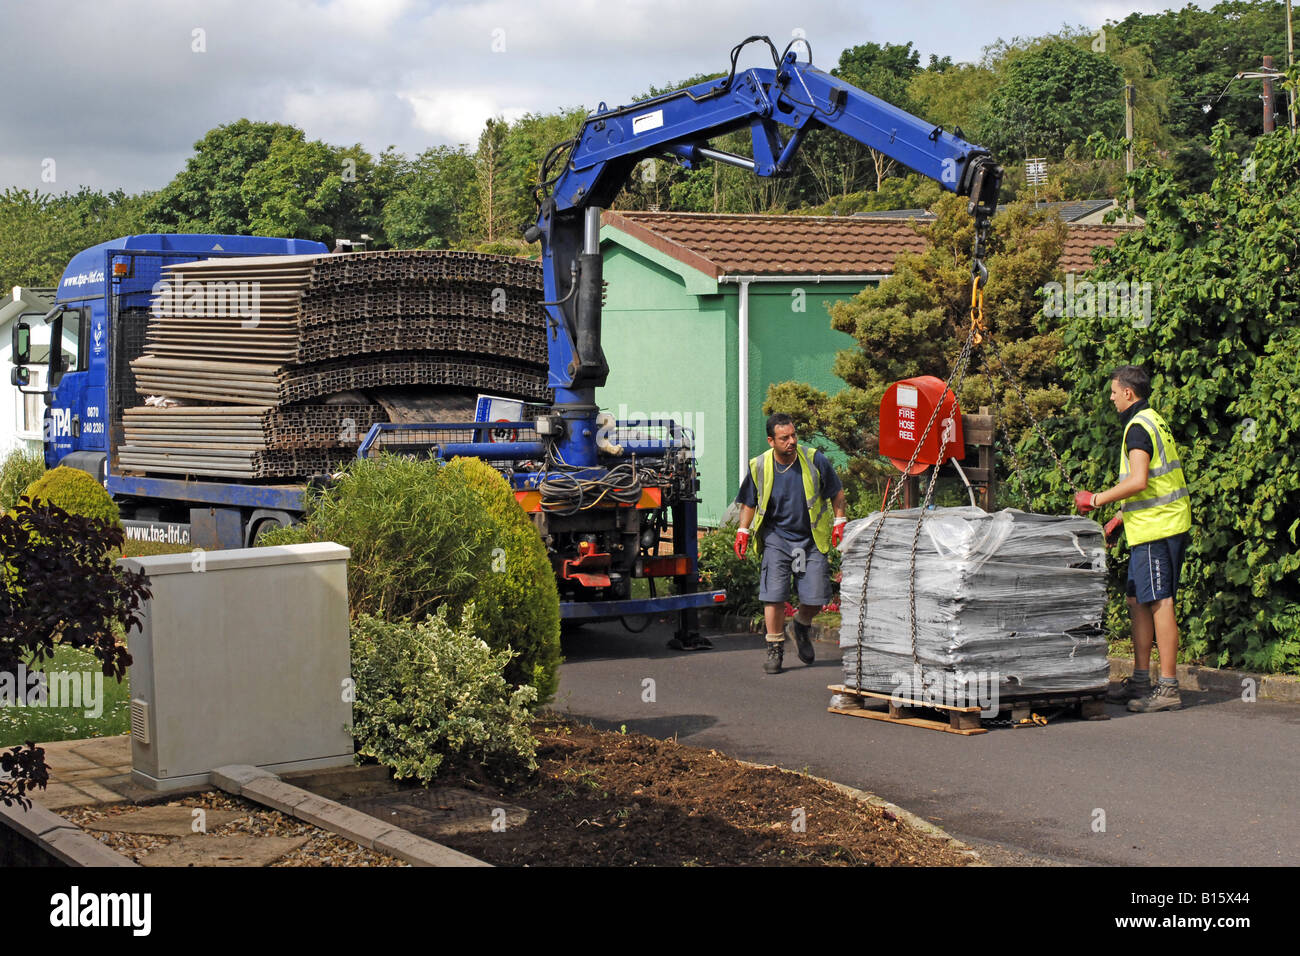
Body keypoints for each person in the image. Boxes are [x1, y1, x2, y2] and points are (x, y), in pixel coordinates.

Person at [1075, 365, 1192, 713]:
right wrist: (1121, 516)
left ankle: (1168, 687)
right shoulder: (1154, 420)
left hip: (1159, 528)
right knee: (1137, 601)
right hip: (1149, 526)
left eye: (1114, 391)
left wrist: (1095, 500)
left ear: (1128, 393)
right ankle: (1141, 680)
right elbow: (1158, 481)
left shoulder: (1138, 428)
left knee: (1160, 602)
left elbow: (1140, 479)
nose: (1110, 397)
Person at [733, 413, 847, 674]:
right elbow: (749, 502)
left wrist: (839, 522)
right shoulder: (759, 465)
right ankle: (775, 648)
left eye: (794, 435)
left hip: (810, 538)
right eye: (784, 438)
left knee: (817, 595)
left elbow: (836, 493)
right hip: (777, 539)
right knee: (773, 595)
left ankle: (801, 625)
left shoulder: (814, 459)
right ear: (771, 440)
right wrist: (743, 530)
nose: (792, 441)